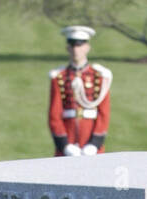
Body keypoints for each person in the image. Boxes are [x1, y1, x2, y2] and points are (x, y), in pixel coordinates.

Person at [48, 25, 111, 157]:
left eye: (80, 45)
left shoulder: (99, 76)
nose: (76, 49)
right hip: (68, 140)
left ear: (87, 47)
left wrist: (95, 143)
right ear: (67, 48)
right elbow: (54, 114)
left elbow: (104, 113)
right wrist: (64, 145)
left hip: (90, 141)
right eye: (72, 45)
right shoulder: (59, 77)